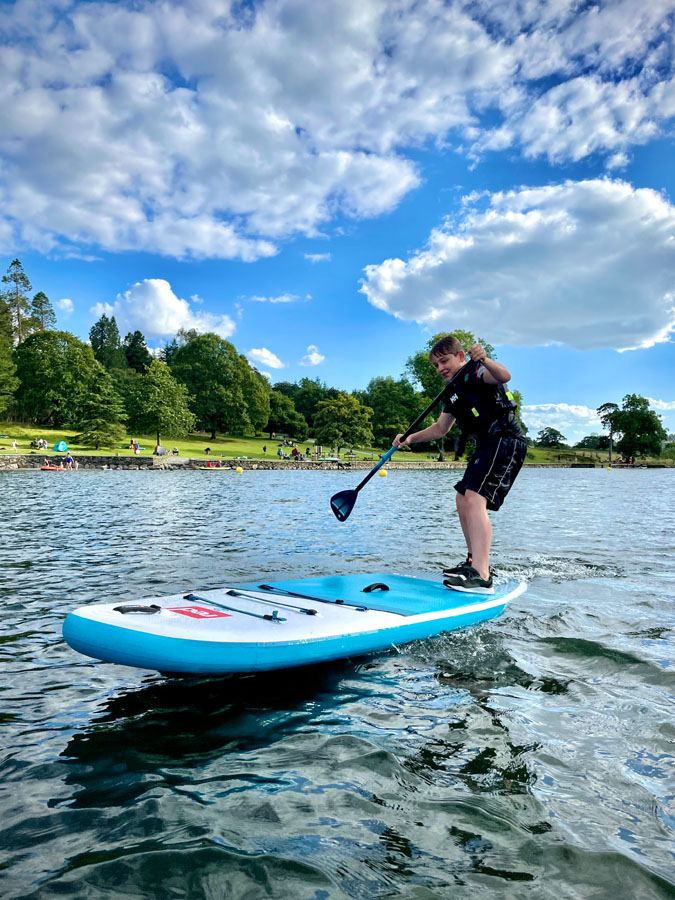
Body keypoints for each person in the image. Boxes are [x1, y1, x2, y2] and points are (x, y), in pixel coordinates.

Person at [394, 336, 526, 594]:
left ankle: (482, 575)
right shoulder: (452, 392)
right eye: (436, 365)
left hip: (505, 440)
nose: (440, 368)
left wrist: (484, 358)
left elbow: (504, 376)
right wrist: (409, 438)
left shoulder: (478, 372)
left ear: (461, 357)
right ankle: (472, 562)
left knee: (475, 499)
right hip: (485, 444)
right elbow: (440, 429)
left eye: (444, 361)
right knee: (461, 497)